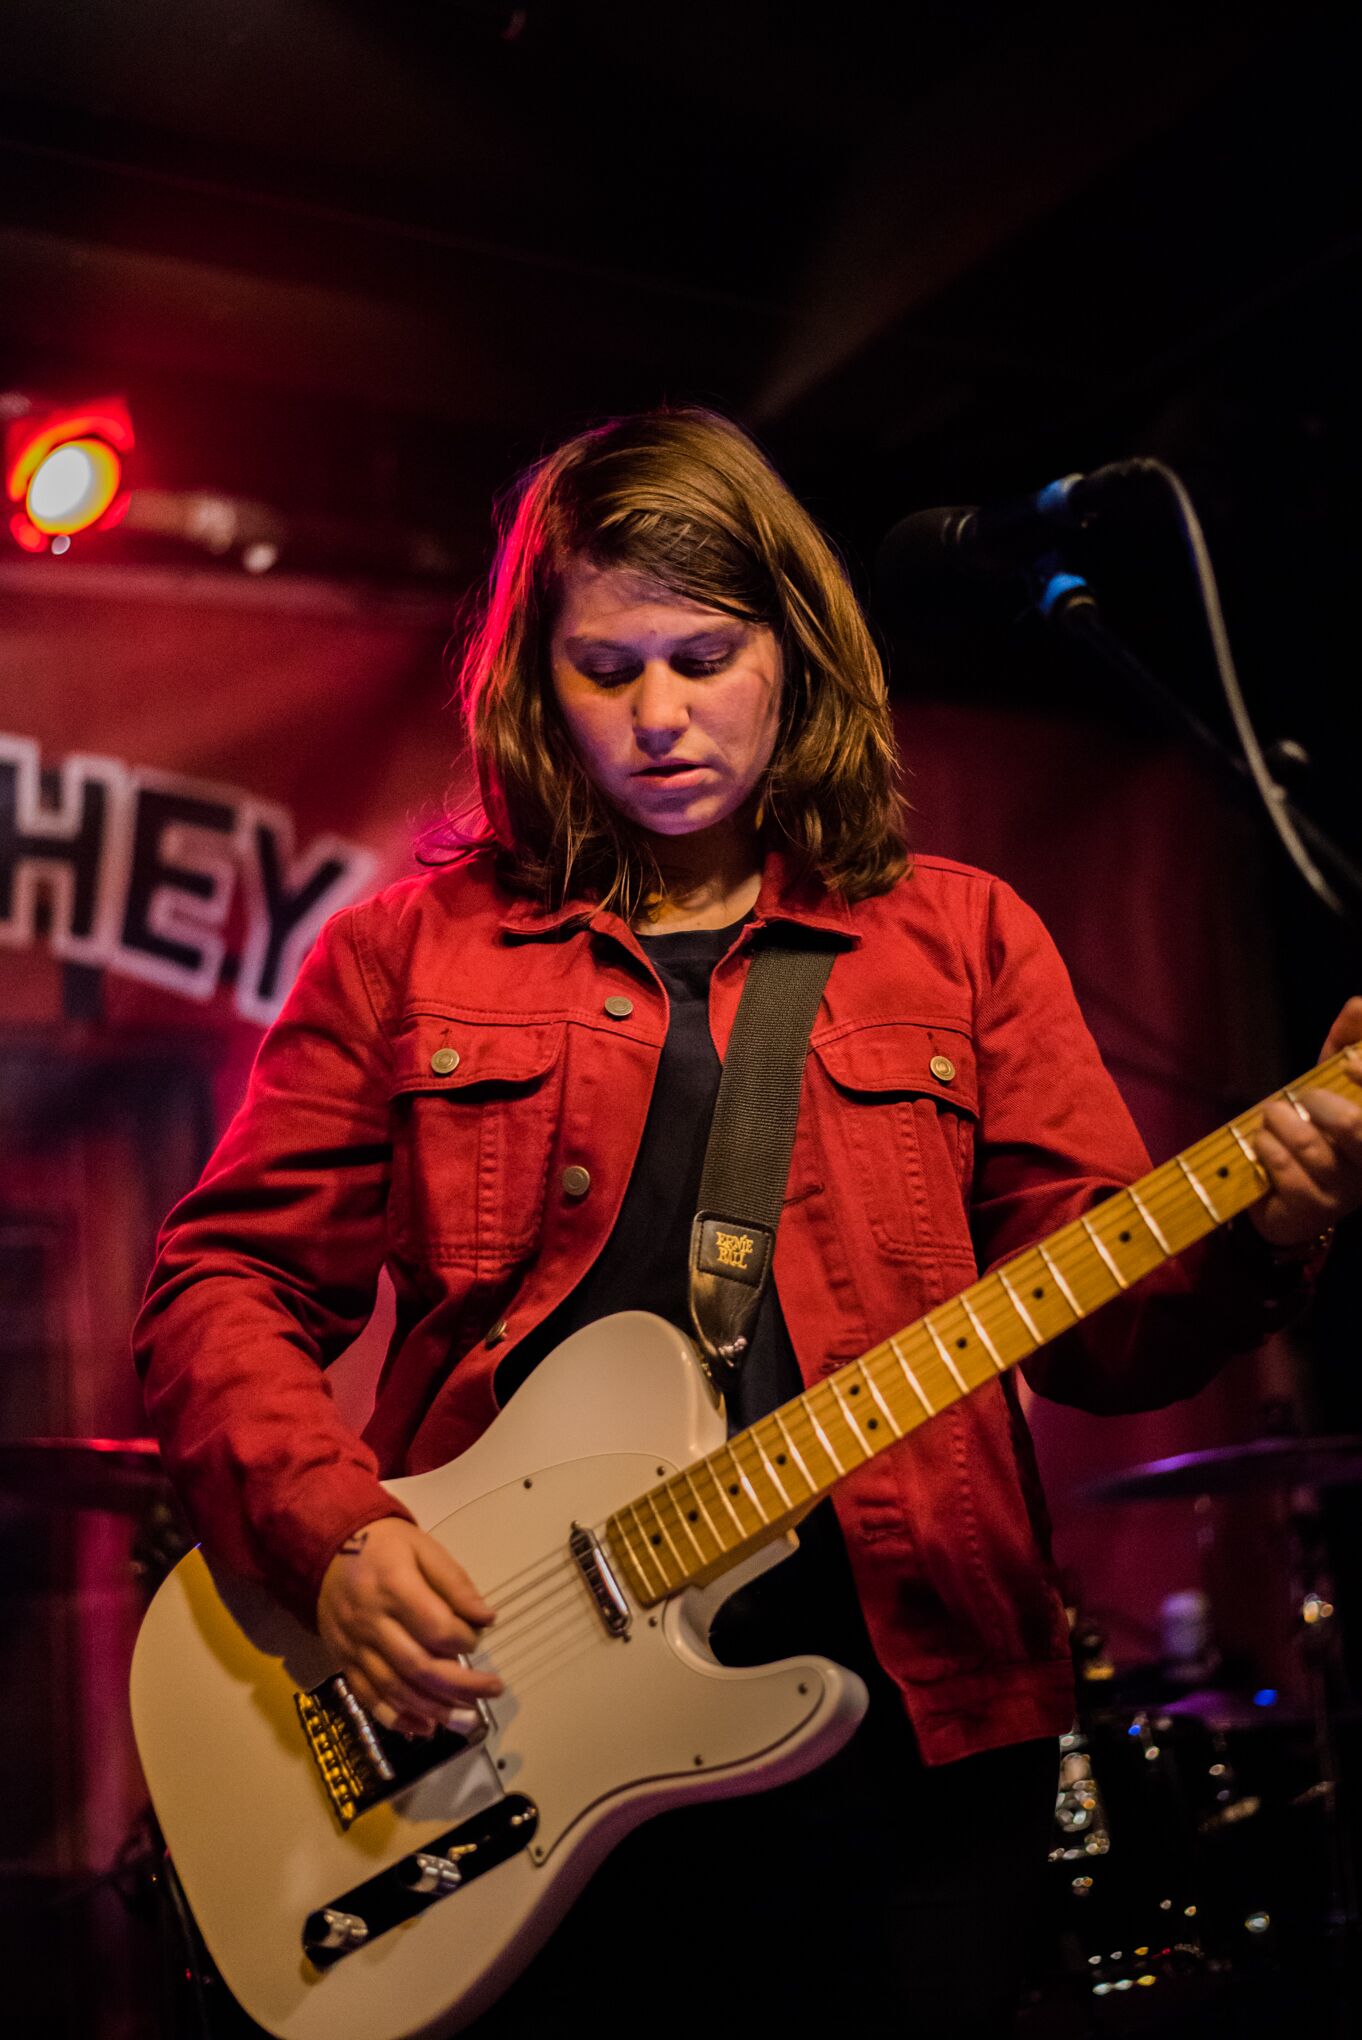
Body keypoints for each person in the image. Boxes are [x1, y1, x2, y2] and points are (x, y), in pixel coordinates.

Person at [134, 407, 1362, 2038]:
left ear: (795, 651)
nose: (659, 717)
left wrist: (1265, 1227)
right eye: (606, 668)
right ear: (533, 682)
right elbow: (221, 1279)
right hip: (510, 1721)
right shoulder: (401, 958)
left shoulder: (964, 941)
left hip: (913, 1746)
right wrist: (334, 1534)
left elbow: (1109, 1331)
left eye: (705, 657)